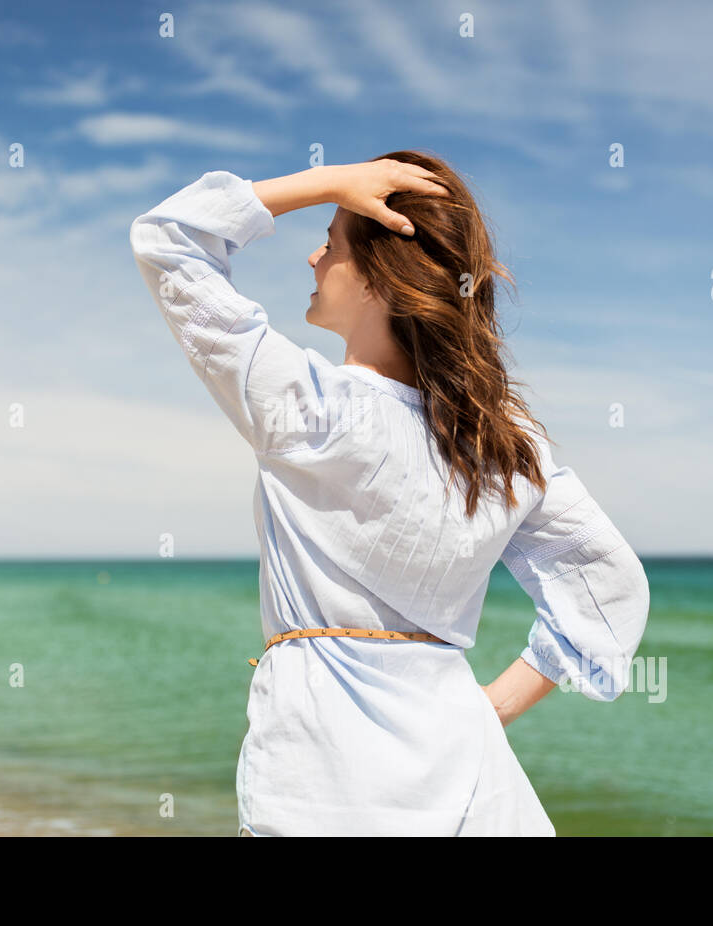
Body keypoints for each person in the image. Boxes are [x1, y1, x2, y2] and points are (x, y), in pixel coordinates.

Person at [129, 151, 650, 836]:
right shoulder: (500, 440)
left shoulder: (307, 407)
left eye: (333, 242)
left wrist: (328, 180)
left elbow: (169, 238)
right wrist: (488, 710)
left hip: (324, 787)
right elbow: (608, 589)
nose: (312, 259)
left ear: (379, 277)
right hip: (474, 785)